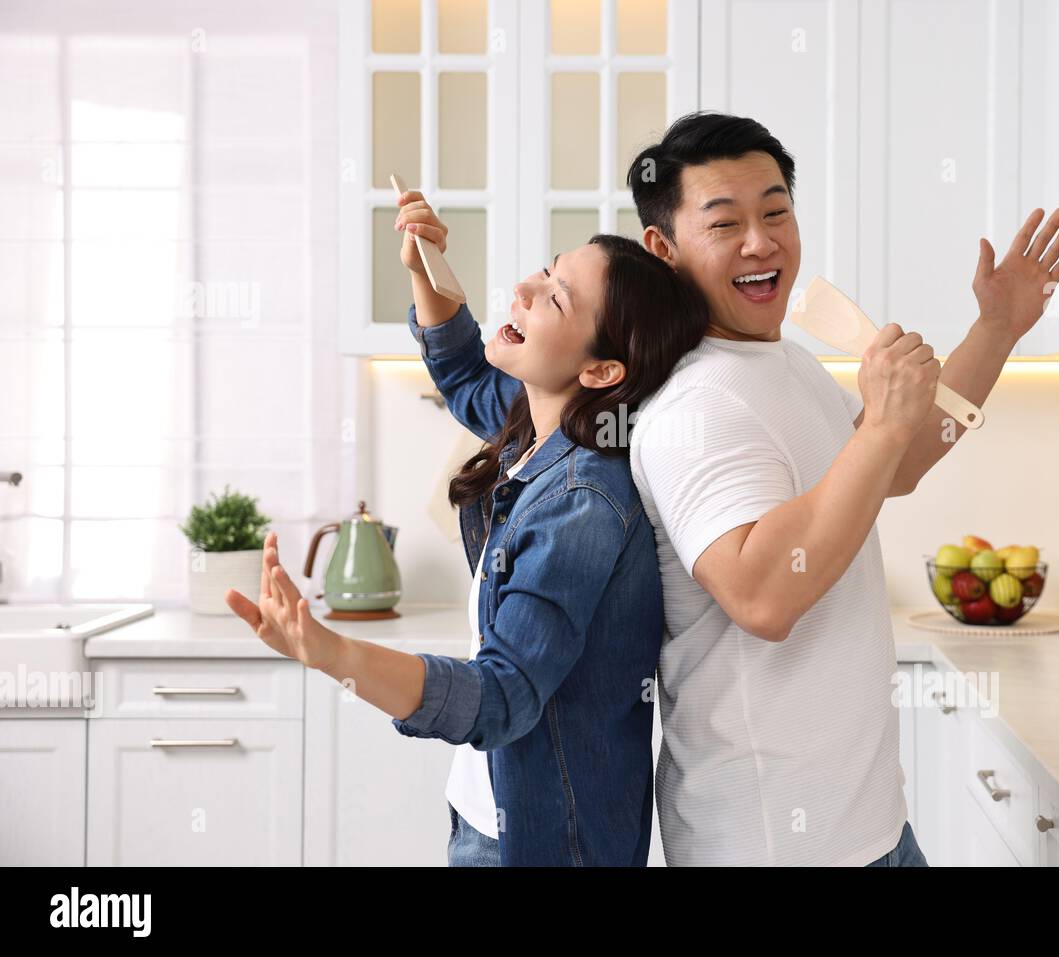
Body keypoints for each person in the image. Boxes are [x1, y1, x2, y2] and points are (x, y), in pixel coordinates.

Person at [624, 111, 1059, 866]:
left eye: (776, 212)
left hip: (869, 827)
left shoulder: (788, 366)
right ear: (663, 250)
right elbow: (763, 595)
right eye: (726, 222)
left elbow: (891, 465)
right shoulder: (694, 406)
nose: (761, 241)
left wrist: (996, 328)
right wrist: (877, 429)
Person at [226, 192, 709, 866]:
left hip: (545, 844)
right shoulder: (538, 428)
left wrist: (332, 655)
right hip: (491, 815)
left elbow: (501, 695)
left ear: (599, 370)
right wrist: (428, 268)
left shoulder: (583, 503)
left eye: (555, 299)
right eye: (545, 271)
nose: (524, 289)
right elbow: (462, 371)